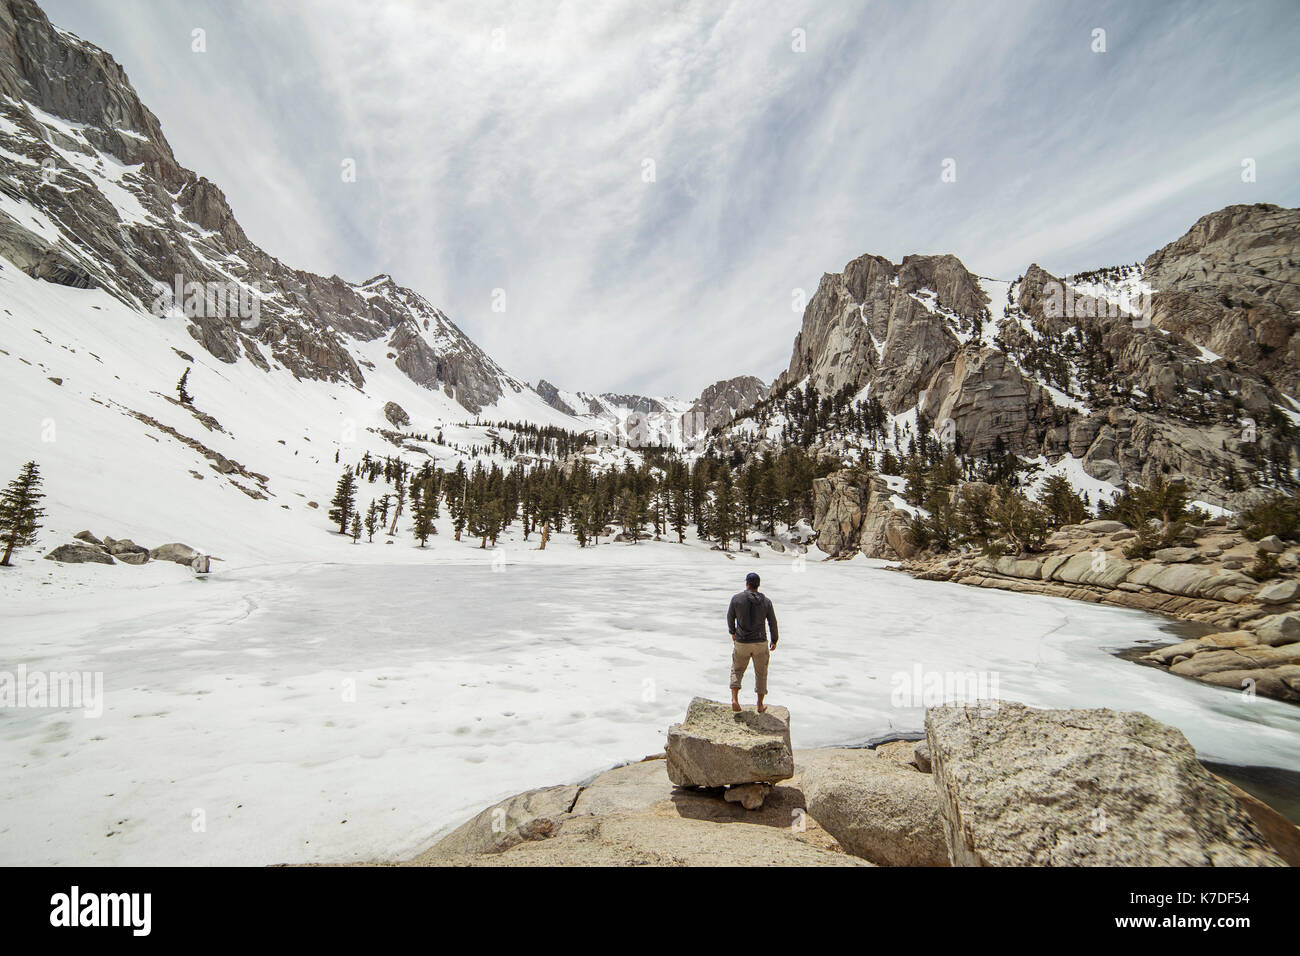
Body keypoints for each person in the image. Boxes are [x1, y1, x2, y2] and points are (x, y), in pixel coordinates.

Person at [726, 571, 778, 712]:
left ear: (747, 584)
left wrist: (733, 632)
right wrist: (774, 639)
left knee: (737, 669)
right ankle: (760, 705)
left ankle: (735, 700)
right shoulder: (766, 601)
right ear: (758, 585)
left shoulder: (737, 599)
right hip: (760, 642)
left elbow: (730, 617)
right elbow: (772, 622)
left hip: (742, 641)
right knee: (761, 672)